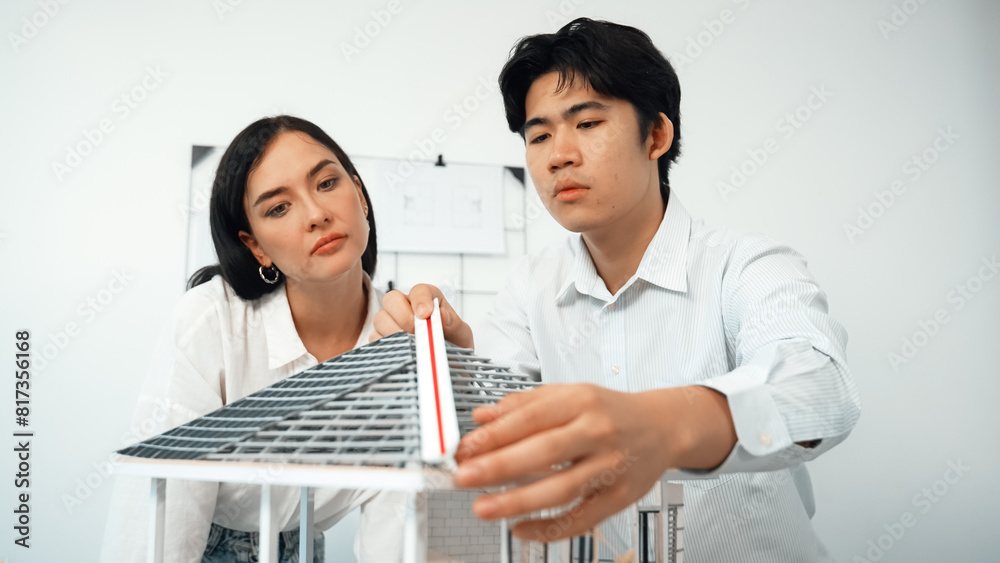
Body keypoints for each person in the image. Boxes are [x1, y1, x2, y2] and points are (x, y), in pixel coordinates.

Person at [372, 18, 862, 562]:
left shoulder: (745, 266)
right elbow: (500, 445)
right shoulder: (531, 288)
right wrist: (455, 368)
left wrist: (663, 425)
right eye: (538, 136)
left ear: (656, 135)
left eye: (587, 124)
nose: (559, 154)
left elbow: (820, 387)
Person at [101, 115, 408, 562]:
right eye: (278, 208)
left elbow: (402, 524)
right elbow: (158, 521)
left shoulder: (404, 336)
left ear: (359, 194)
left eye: (326, 183)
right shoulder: (209, 322)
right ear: (255, 246)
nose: (317, 214)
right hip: (204, 541)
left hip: (301, 544)